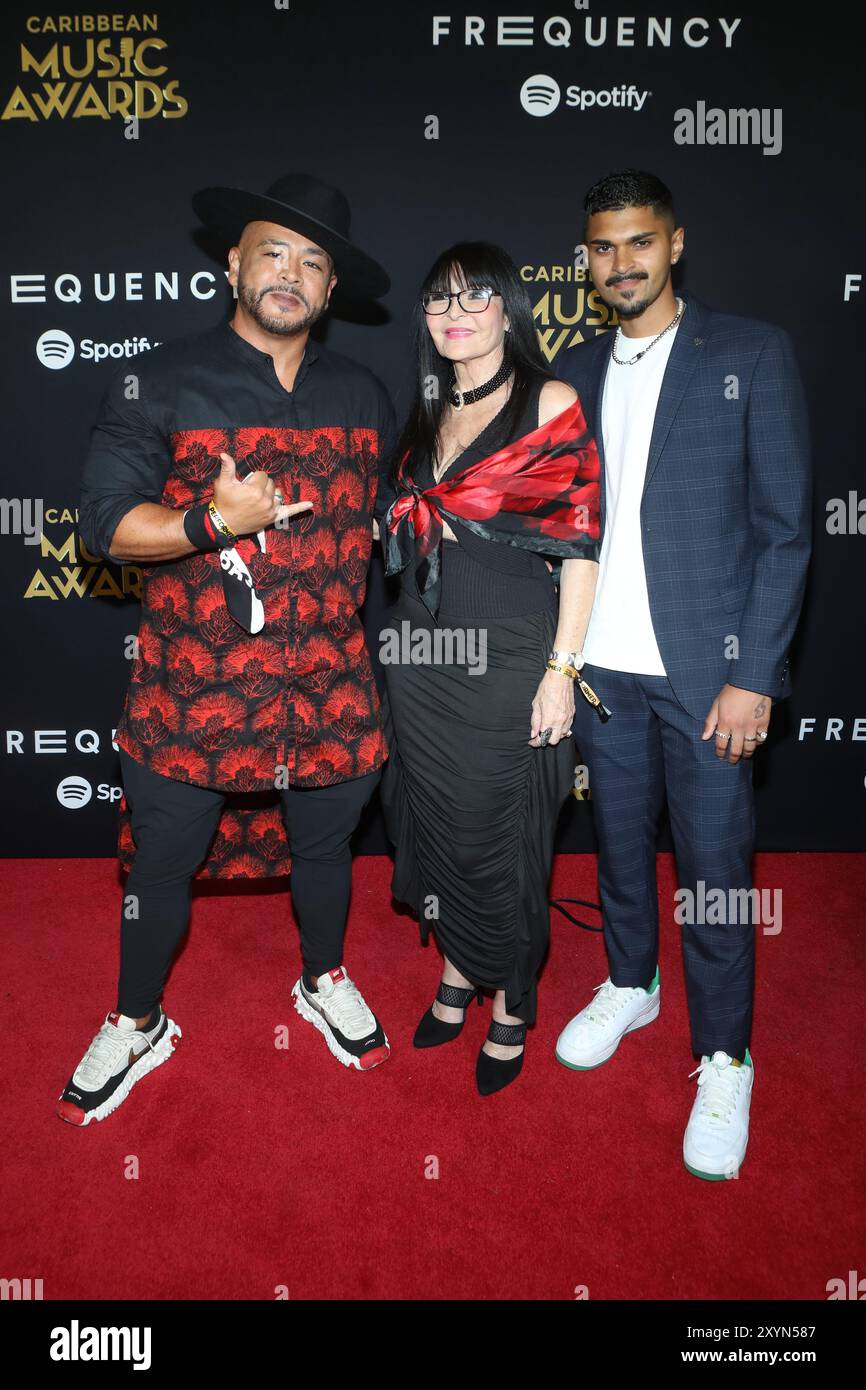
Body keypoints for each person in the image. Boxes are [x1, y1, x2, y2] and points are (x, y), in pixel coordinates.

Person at [60, 174, 396, 1126]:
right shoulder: (160, 381)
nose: (291, 274)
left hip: (330, 680)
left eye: (314, 263)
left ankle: (323, 976)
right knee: (163, 867)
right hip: (189, 686)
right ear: (235, 264)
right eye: (274, 252)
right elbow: (103, 528)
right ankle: (135, 1020)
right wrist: (212, 518)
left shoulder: (366, 394)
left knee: (327, 849)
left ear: (330, 292)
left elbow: (390, 519)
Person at [554, 170, 812, 1178]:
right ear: (586, 258)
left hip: (710, 674)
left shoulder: (749, 350)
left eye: (637, 243)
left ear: (675, 244)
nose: (619, 263)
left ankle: (723, 1052)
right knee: (618, 847)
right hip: (600, 672)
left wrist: (753, 676)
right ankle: (629, 982)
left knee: (712, 873)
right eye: (602, 247)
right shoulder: (570, 369)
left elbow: (786, 533)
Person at [380, 241, 601, 1095]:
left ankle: (511, 1000)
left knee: (499, 834)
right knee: (433, 820)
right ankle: (460, 971)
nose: (456, 314)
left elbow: (581, 548)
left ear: (509, 309)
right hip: (419, 653)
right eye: (439, 301)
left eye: (475, 298)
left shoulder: (547, 399)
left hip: (510, 650)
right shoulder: (427, 408)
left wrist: (561, 670)